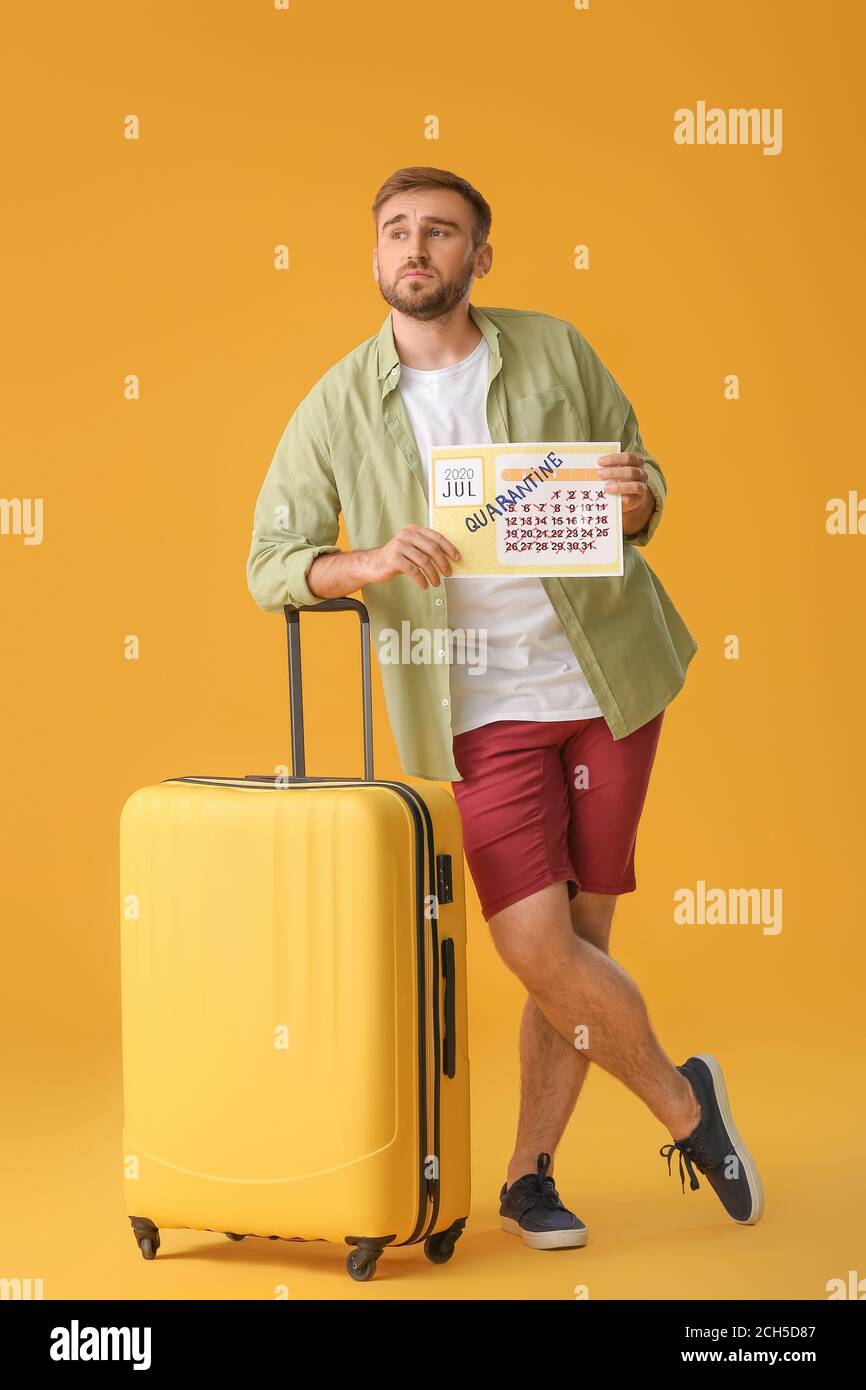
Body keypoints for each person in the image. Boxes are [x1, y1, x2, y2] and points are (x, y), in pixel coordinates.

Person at [246, 165, 764, 1249]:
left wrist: (640, 495)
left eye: (441, 231)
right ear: (376, 257)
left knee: (579, 935)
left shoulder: (557, 349)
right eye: (396, 231)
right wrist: (371, 559)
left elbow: (643, 474)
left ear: (480, 256)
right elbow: (273, 564)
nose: (416, 248)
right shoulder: (337, 403)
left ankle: (530, 1178)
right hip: (473, 704)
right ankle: (684, 1105)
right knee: (533, 943)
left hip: (607, 682)